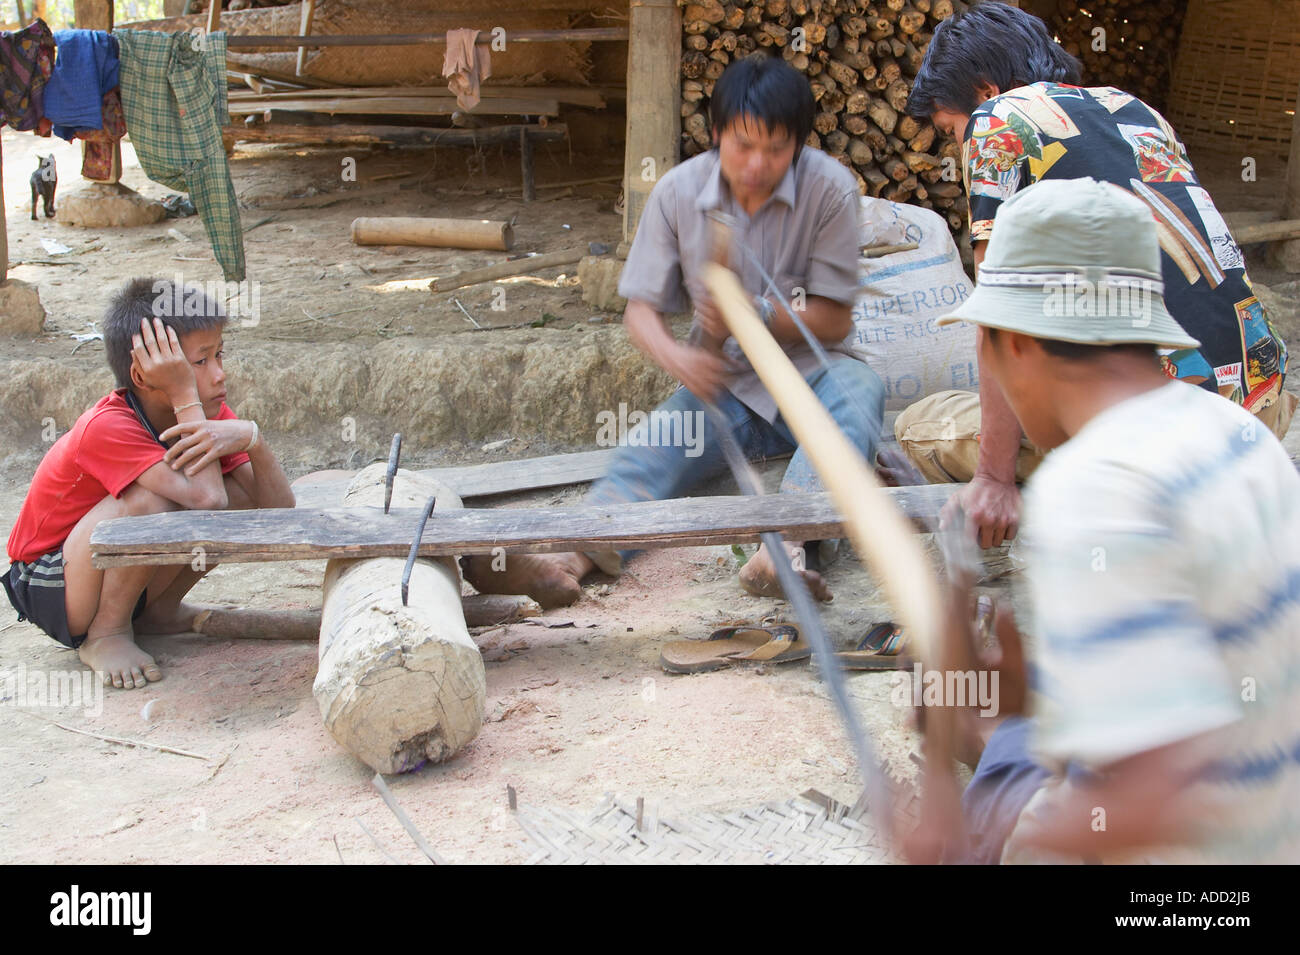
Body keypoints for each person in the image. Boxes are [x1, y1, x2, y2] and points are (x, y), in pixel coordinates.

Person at [904, 177, 1300, 864]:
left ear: (1015, 342)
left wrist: (947, 838)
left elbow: (1153, 804)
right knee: (1019, 737)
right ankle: (992, 737)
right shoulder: (1236, 433)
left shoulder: (1091, 490)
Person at [464, 54, 885, 607]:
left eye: (776, 149)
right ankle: (566, 562)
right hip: (724, 385)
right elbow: (641, 313)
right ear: (715, 134)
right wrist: (679, 358)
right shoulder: (678, 194)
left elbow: (835, 318)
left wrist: (755, 313)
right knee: (650, 453)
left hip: (813, 377)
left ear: (801, 145)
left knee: (861, 391)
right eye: (742, 144)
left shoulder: (830, 189)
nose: (757, 164)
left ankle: (784, 550)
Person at [898, 0, 1293, 550]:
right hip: (1263, 411)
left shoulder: (998, 122)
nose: (957, 145)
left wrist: (992, 477)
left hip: (1165, 446)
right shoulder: (1133, 108)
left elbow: (999, 316)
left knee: (917, 424)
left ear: (984, 91)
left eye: (949, 128)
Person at [3, 278, 295, 690]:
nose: (219, 375)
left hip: (104, 569)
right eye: (200, 362)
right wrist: (182, 392)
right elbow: (207, 499)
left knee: (239, 492)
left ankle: (157, 611)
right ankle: (106, 632)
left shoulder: (202, 411)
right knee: (152, 501)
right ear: (145, 374)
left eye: (220, 355)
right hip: (51, 581)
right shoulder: (106, 425)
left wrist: (253, 439)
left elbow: (279, 512)